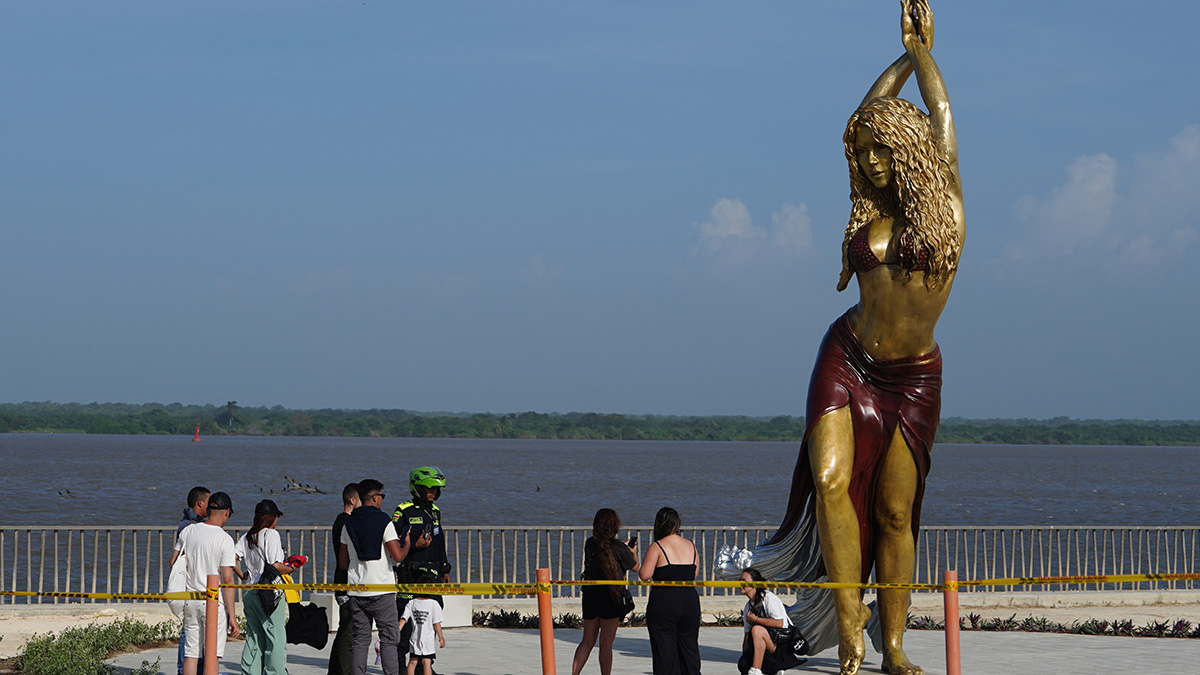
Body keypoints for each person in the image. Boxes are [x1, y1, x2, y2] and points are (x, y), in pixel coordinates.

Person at [752, 2, 963, 674]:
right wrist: (897, 59)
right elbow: (858, 118)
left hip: (912, 379)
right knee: (832, 479)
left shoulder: (948, 209)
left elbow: (945, 123)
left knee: (897, 513)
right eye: (865, 152)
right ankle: (848, 630)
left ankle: (893, 642)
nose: (870, 163)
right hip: (845, 359)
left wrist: (923, 54)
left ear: (911, 152)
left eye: (883, 150)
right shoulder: (867, 207)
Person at [339, 479, 409, 675]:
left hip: (356, 589)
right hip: (381, 590)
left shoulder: (348, 523)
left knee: (360, 639)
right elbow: (398, 556)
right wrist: (408, 544)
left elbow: (343, 564)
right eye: (382, 496)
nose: (382, 500)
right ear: (375, 497)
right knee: (389, 638)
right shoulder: (384, 521)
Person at [171, 491, 241, 675]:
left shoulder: (188, 531)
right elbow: (227, 579)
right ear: (227, 512)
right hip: (213, 602)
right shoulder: (225, 539)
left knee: (191, 654)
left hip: (191, 599)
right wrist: (232, 617)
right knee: (212, 655)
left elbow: (173, 562)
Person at [391, 467, 451, 663]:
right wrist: (415, 546)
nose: (433, 492)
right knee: (406, 622)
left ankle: (424, 666)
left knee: (430, 623)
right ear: (417, 488)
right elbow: (394, 544)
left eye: (436, 489)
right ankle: (400, 666)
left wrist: (444, 568)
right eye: (429, 488)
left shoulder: (435, 512)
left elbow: (439, 541)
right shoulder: (403, 510)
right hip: (410, 574)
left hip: (432, 575)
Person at [572, 508, 640, 675]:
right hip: (611, 597)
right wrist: (633, 552)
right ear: (615, 526)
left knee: (586, 641)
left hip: (590, 596)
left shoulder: (590, 544)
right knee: (606, 644)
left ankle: (574, 673)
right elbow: (637, 568)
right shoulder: (619, 548)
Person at [639, 507, 700, 675]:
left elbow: (645, 575)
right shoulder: (691, 545)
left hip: (664, 602)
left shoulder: (657, 546)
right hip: (689, 601)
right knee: (689, 649)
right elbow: (694, 573)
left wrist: (634, 558)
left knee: (664, 652)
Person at [235, 499, 291, 675]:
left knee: (254, 636)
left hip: (251, 592)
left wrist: (242, 574)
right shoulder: (271, 535)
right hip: (269, 594)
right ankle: (275, 673)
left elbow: (233, 558)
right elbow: (275, 565)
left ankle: (250, 672)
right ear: (272, 517)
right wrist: (292, 567)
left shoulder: (247, 537)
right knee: (275, 637)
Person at [737, 568, 804, 675]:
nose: (740, 583)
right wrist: (745, 657)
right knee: (743, 664)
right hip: (767, 644)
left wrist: (756, 620)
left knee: (757, 630)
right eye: (739, 580)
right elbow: (746, 637)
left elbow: (779, 623)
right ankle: (772, 667)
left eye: (744, 581)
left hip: (782, 645)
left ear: (755, 584)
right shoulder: (748, 606)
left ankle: (756, 671)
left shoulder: (768, 598)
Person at [174, 486, 209, 675]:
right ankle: (185, 670)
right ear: (200, 503)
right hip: (192, 587)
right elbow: (177, 558)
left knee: (193, 633)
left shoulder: (192, 524)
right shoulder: (188, 527)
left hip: (198, 588)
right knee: (189, 634)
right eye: (208, 503)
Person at [327, 483, 361, 675]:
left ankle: (335, 670)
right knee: (348, 632)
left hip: (345, 582)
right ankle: (344, 671)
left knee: (345, 630)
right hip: (345, 583)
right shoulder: (344, 522)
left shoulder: (342, 521)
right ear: (352, 500)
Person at [396, 574, 446, 675]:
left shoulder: (411, 603)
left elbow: (403, 619)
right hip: (428, 640)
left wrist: (395, 632)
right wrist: (441, 637)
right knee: (426, 662)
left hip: (414, 638)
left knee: (412, 661)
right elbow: (436, 623)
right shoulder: (434, 604)